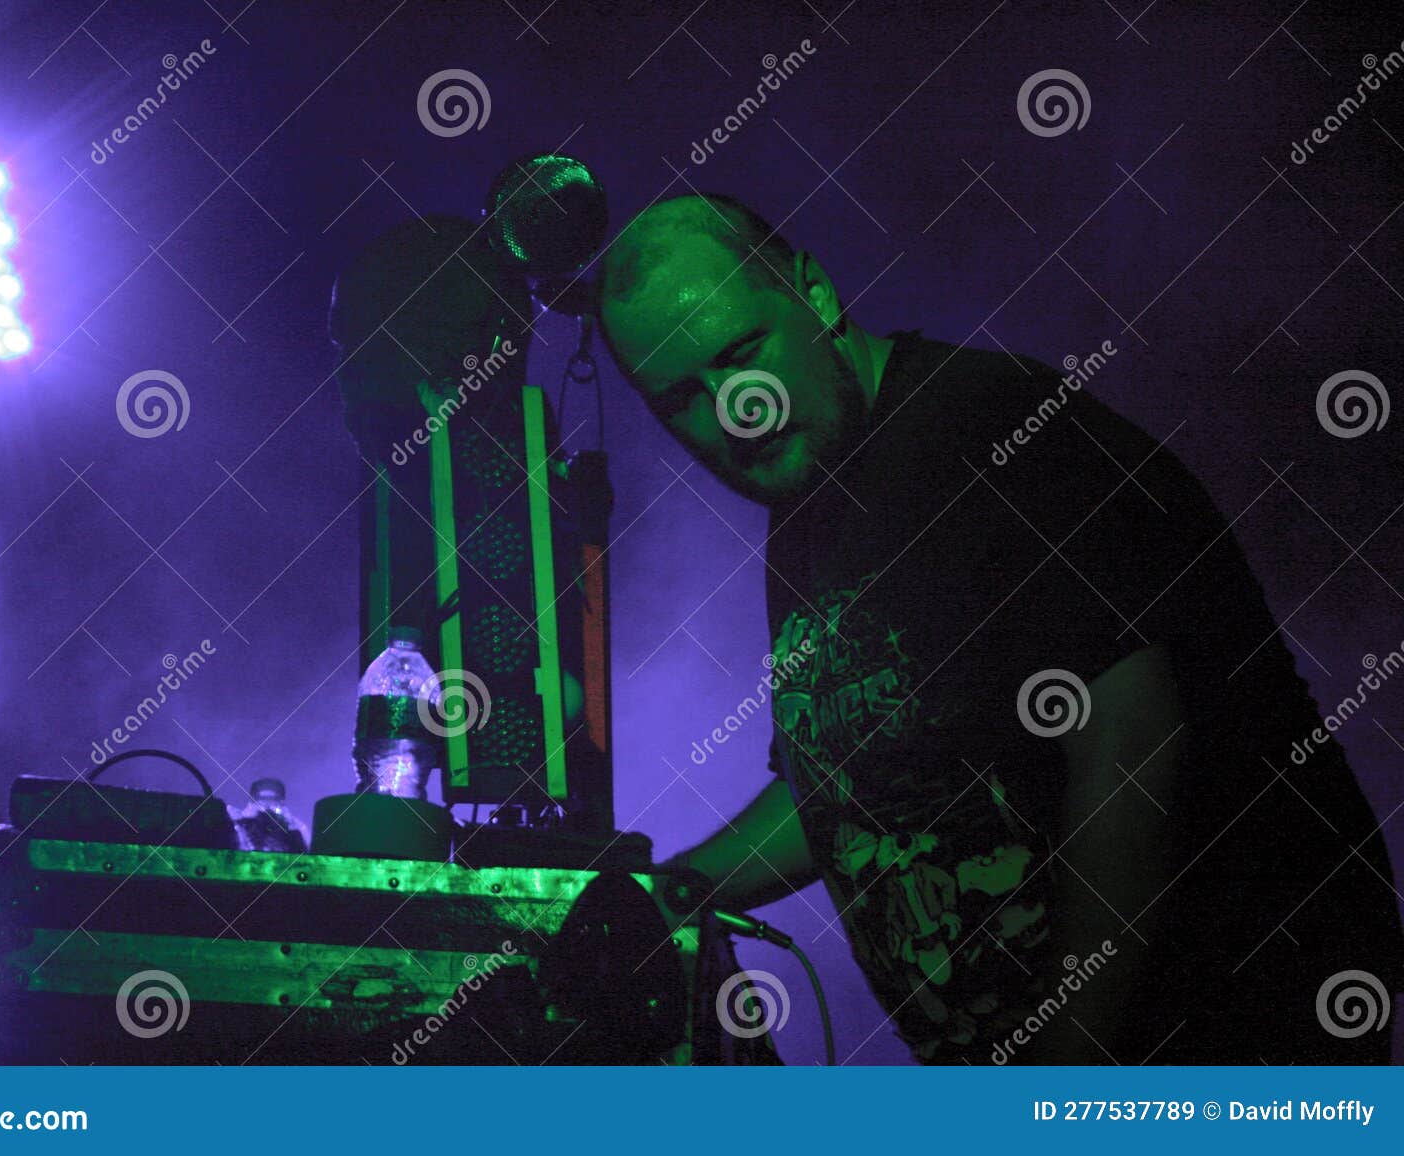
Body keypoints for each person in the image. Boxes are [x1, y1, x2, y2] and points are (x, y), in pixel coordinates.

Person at [598, 193, 1404, 1064]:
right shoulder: (811, 501)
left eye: (741, 352)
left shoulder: (996, 437)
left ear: (815, 293)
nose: (734, 411)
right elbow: (842, 784)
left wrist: (1067, 1071)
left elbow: (1129, 741)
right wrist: (677, 887)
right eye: (683, 395)